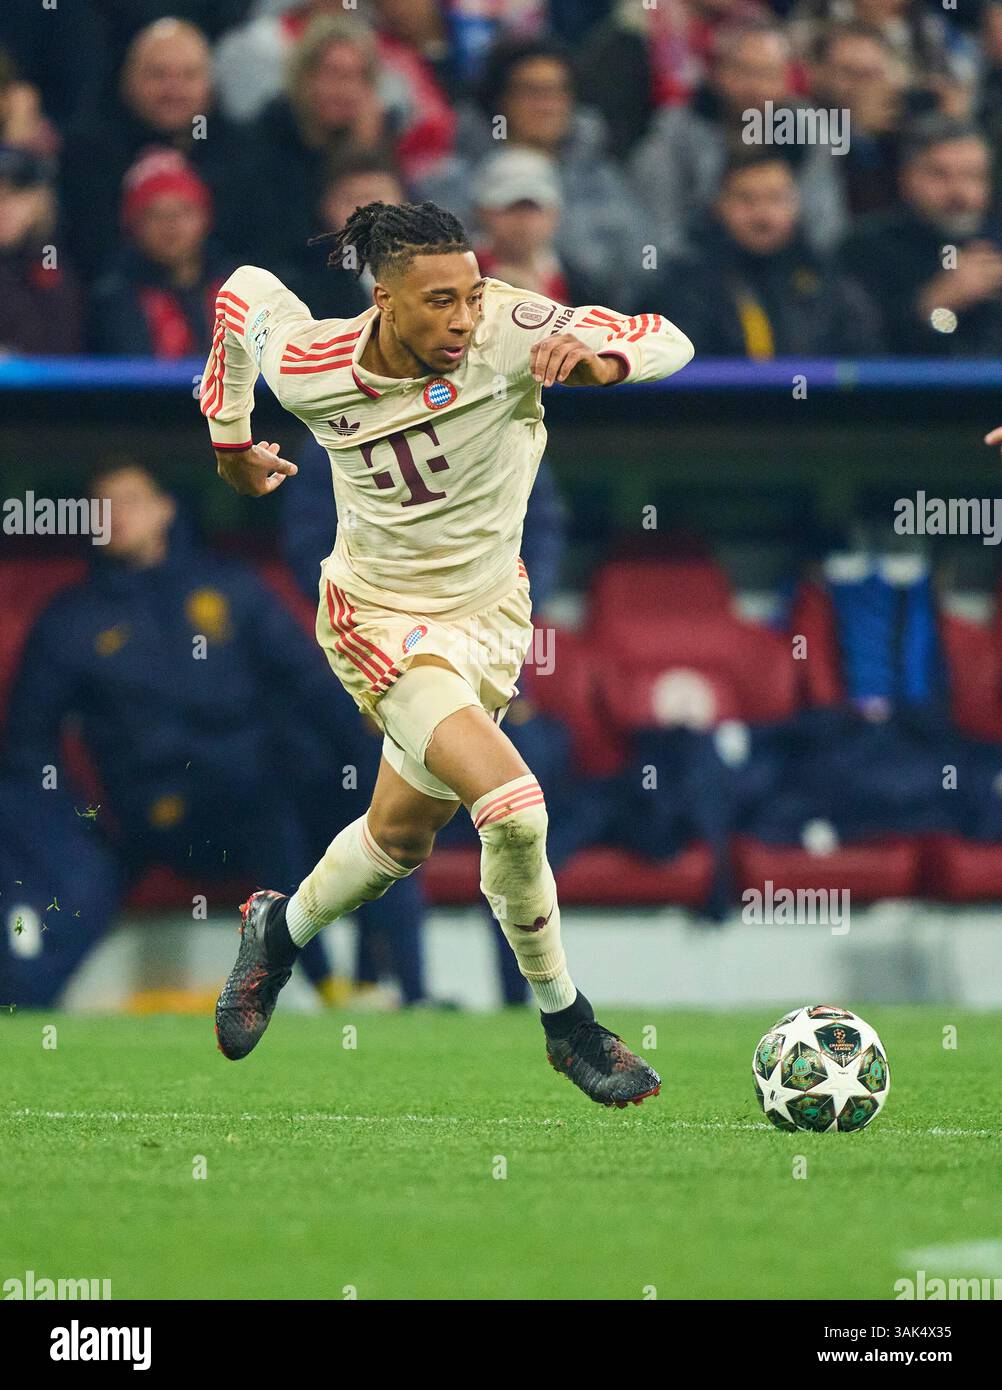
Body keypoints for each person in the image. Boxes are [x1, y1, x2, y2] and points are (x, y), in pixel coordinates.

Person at [201, 199, 694, 1104]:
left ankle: (276, 932)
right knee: (513, 807)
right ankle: (569, 1023)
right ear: (382, 299)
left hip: (489, 620)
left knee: (398, 838)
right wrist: (228, 438)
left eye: (471, 294)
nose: (464, 318)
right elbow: (241, 297)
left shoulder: (511, 326)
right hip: (378, 618)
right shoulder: (316, 364)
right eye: (439, 301)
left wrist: (602, 357)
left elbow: (670, 337)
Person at [1, 463, 341, 1005]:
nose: (115, 517)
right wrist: (77, 821)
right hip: (140, 817)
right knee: (71, 880)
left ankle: (358, 988)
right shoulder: (71, 620)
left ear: (166, 509)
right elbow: (26, 745)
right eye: (101, 507)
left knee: (353, 806)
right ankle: (21, 1008)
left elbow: (312, 688)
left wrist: (375, 748)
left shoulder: (229, 588)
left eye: (130, 501)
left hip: (249, 800)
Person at [648, 151, 882, 356]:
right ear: (720, 206)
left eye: (775, 198)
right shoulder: (685, 284)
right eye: (746, 199)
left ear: (795, 204)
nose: (762, 215)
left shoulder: (829, 281)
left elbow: (863, 362)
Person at [840, 117, 1002, 355]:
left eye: (972, 176)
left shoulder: (995, 245)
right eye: (939, 175)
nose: (958, 191)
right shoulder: (867, 249)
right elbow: (857, 346)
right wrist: (940, 303)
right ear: (907, 179)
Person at [91, 150, 232, 357]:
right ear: (134, 225)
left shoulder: (238, 288)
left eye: (184, 211)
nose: (171, 225)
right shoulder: (113, 299)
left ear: (205, 218)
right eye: (154, 214)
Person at [0, 145, 82, 355]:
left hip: (37, 384)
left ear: (39, 201)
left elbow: (59, 335)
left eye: (16, 193)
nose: (4, 205)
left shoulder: (48, 253)